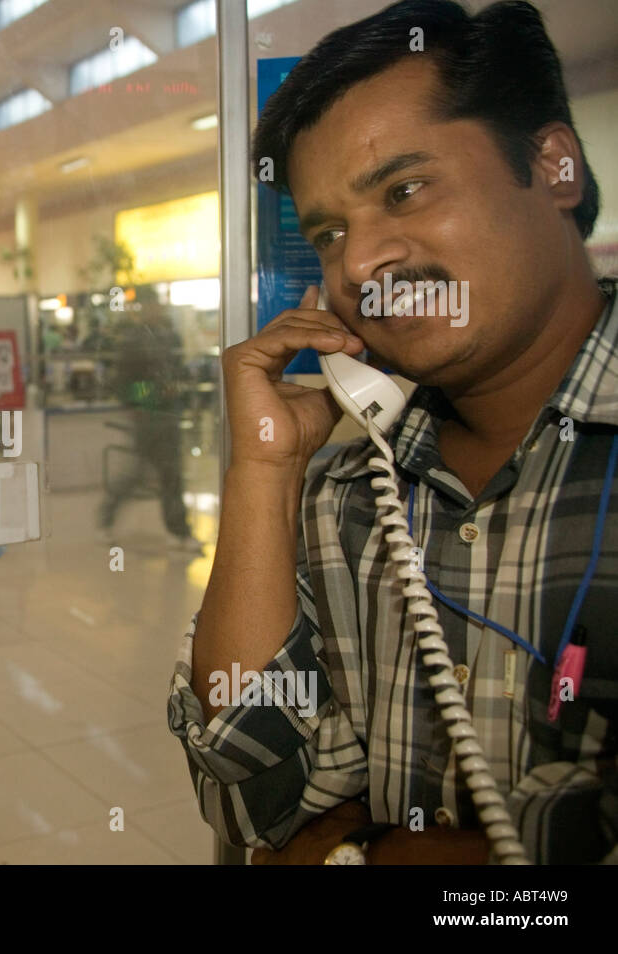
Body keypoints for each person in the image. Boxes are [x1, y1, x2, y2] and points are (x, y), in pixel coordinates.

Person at [169, 0, 615, 864]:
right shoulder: (350, 495)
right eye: (329, 233)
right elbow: (255, 809)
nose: (361, 262)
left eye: (404, 190)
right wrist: (268, 467)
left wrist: (365, 851)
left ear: (553, 166)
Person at [98, 294, 202, 553]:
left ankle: (179, 530)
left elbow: (177, 372)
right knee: (138, 474)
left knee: (171, 475)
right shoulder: (133, 341)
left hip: (169, 415)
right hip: (148, 416)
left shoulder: (168, 337)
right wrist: (152, 394)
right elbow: (123, 384)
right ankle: (107, 517)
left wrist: (177, 391)